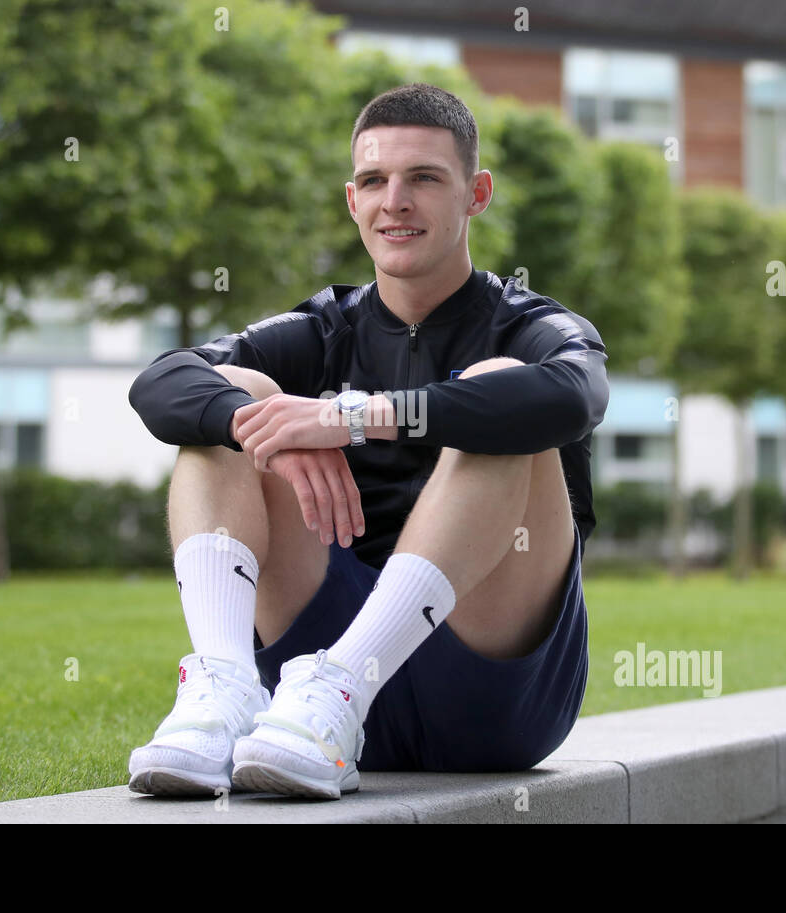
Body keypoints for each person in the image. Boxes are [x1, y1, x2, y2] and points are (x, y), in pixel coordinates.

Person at [126, 83, 609, 800]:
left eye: (424, 178)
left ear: (476, 194)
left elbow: (576, 393)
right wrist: (267, 429)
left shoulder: (528, 322)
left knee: (502, 388)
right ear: (352, 200)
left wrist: (351, 417)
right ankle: (225, 689)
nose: (396, 201)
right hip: (301, 698)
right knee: (235, 398)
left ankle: (348, 680)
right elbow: (160, 382)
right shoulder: (322, 328)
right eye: (376, 181)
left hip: (492, 691)